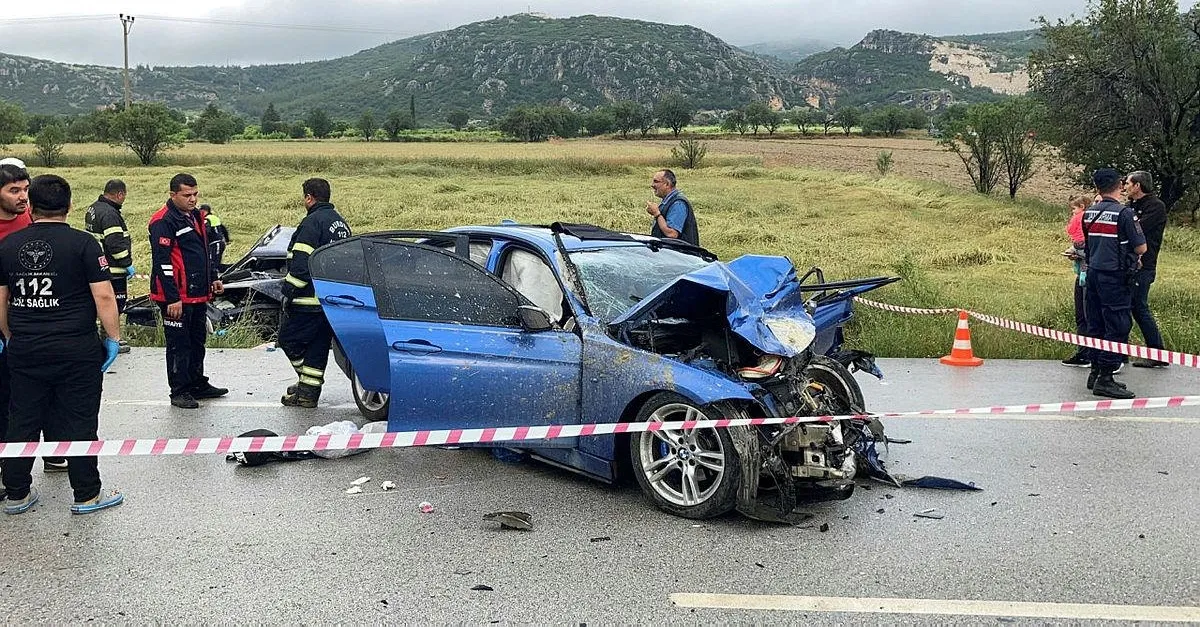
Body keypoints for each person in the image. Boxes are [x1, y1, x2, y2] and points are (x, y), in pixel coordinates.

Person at [0, 174, 124, 515]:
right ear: (69, 206)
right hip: (76, 349)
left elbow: (0, 300)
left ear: (32, 205)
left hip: (25, 348)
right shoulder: (84, 245)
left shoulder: (7, 247)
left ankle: (16, 494)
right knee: (80, 420)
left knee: (21, 420)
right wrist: (113, 338)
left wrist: (11, 337)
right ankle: (86, 495)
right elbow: (103, 295)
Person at [0, 163, 68, 477]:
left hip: (31, 320)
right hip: (4, 326)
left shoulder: (29, 219)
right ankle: (9, 467)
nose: (24, 197)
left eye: (26, 189)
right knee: (11, 401)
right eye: (14, 191)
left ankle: (55, 453)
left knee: (50, 393)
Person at [148, 173, 228, 409]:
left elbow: (203, 251)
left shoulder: (196, 216)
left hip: (197, 293)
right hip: (175, 296)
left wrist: (213, 277)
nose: (192, 199)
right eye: (187, 195)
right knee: (179, 345)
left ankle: (197, 383)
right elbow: (162, 263)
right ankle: (179, 391)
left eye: (195, 194)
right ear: (173, 195)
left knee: (197, 341)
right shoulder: (163, 221)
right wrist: (173, 298)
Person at [277, 178, 351, 408]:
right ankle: (308, 392)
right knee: (318, 347)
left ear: (309, 197)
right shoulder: (341, 224)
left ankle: (307, 386)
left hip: (307, 300)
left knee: (288, 340)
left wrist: (287, 291)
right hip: (331, 302)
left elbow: (301, 263)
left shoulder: (312, 223)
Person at [1081, 168, 1146, 399]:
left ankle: (1096, 371)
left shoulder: (1089, 213)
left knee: (1095, 324)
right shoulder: (1124, 214)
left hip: (1093, 275)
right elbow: (1141, 247)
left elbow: (1087, 243)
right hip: (1115, 277)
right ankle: (1106, 378)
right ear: (1119, 185)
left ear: (1097, 187)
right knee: (1118, 325)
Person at [1124, 171, 1169, 368]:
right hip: (1128, 263)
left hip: (1145, 264)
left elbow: (1136, 230)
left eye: (1127, 183)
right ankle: (1121, 352)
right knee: (1126, 306)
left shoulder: (1155, 207)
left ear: (1137, 186)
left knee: (1139, 307)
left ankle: (1157, 352)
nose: (1125, 186)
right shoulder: (1130, 206)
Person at [85, 179, 135, 354]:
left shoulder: (93, 208)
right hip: (113, 269)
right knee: (115, 304)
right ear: (119, 194)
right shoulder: (110, 214)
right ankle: (110, 339)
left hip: (98, 266)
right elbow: (114, 243)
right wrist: (127, 263)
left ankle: (103, 337)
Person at [1061, 195, 1091, 367]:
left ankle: (1089, 353)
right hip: (1082, 273)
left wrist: (1077, 252)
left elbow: (1087, 248)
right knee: (1081, 315)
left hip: (1088, 274)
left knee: (1088, 316)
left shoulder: (1085, 222)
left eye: (1074, 209)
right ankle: (1082, 352)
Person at [646, 169, 699, 246]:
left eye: (656, 181)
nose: (652, 185)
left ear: (667, 184)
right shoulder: (669, 201)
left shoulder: (678, 203)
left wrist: (657, 214)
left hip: (680, 254)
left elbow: (672, 234)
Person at [200, 203, 232, 271]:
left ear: (205, 211)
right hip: (220, 243)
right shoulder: (215, 218)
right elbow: (223, 229)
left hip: (215, 243)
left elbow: (206, 231)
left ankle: (232, 268)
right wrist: (227, 240)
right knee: (215, 262)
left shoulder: (206, 219)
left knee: (214, 264)